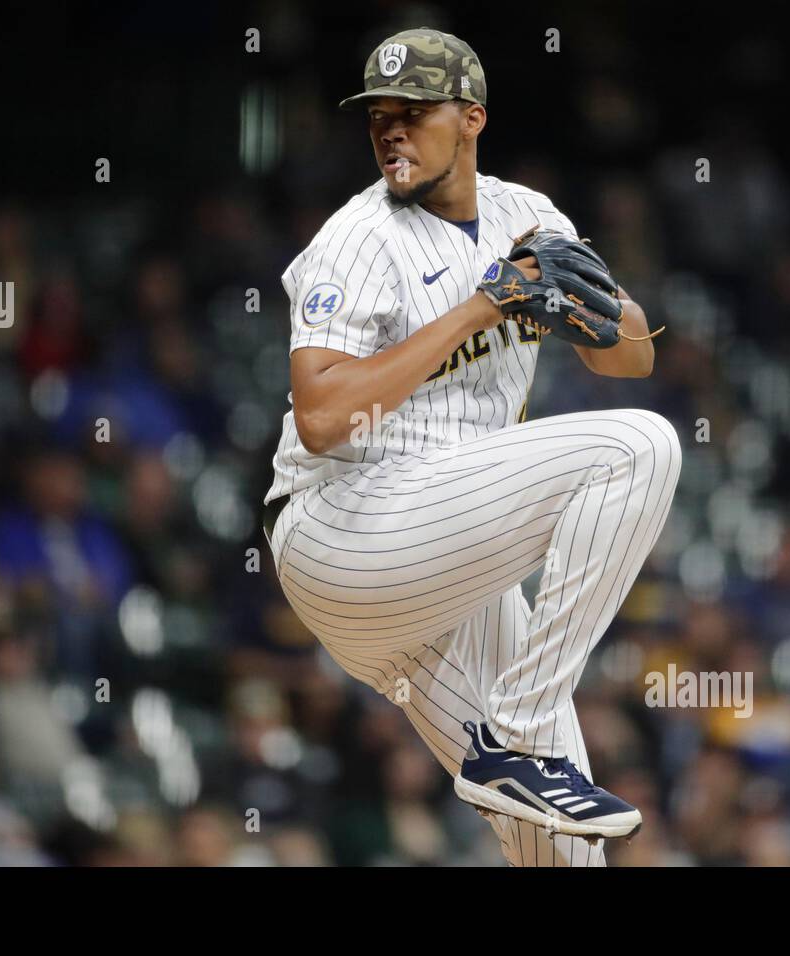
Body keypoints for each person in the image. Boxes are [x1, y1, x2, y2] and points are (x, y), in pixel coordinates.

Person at [261, 27, 681, 866]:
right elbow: (320, 415)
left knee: (564, 855)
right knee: (639, 447)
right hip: (348, 527)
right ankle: (518, 741)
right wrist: (485, 307)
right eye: (380, 114)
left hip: (448, 563)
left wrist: (570, 298)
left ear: (472, 119)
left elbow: (631, 354)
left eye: (414, 111)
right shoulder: (359, 237)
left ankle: (516, 754)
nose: (392, 129)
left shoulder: (527, 215)